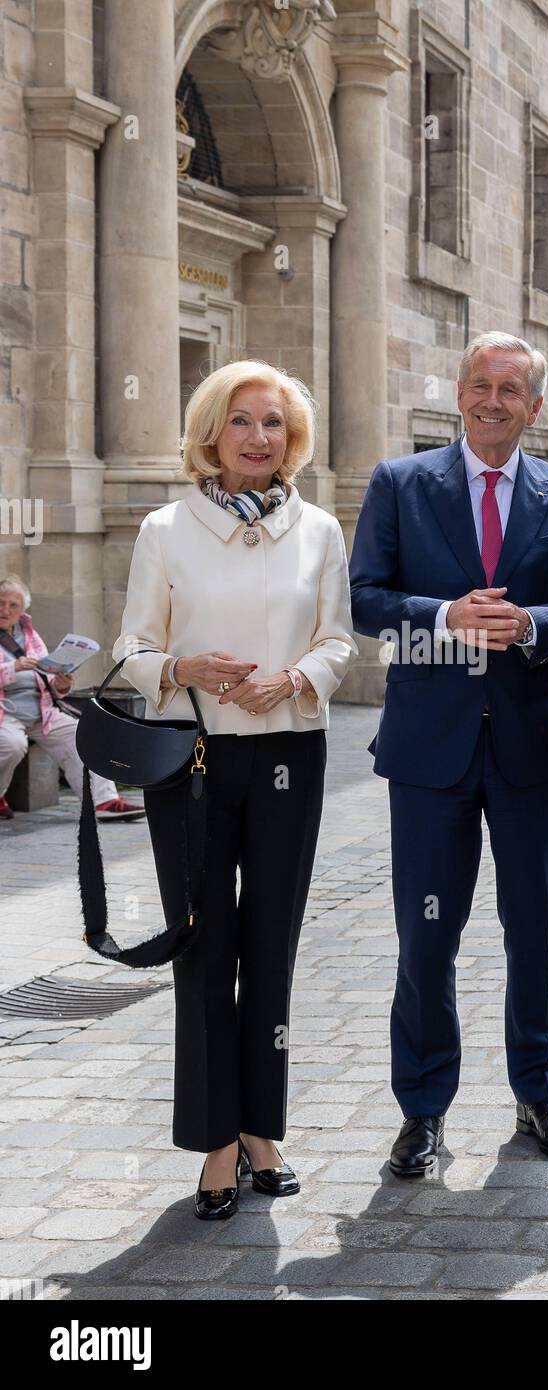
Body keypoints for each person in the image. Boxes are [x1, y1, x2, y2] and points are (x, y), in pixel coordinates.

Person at [113, 360, 356, 1219]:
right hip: (194, 761)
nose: (261, 439)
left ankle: (263, 1129)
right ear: (211, 431)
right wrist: (183, 667)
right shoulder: (164, 528)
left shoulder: (321, 529)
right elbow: (131, 652)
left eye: (276, 425)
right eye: (244, 422)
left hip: (292, 751)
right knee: (205, 950)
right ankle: (216, 1139)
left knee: (273, 948)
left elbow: (339, 644)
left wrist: (293, 678)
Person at [350, 331, 548, 1176]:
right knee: (426, 939)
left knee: (537, 933)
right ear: (460, 393)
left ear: (534, 407)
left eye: (511, 390)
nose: (493, 401)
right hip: (428, 755)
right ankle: (422, 1111)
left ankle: (540, 1093)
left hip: (528, 748)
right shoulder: (400, 483)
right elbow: (364, 600)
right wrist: (443, 615)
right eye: (480, 385)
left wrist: (531, 625)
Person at [0, 576, 143, 823]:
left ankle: (104, 801)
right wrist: (13, 668)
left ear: (22, 610)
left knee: (82, 735)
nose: (5, 610)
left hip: (41, 712)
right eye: (1, 603)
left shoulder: (30, 635)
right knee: (12, 744)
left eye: (13, 605)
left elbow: (48, 681)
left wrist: (61, 684)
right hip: (6, 714)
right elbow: (13, 671)